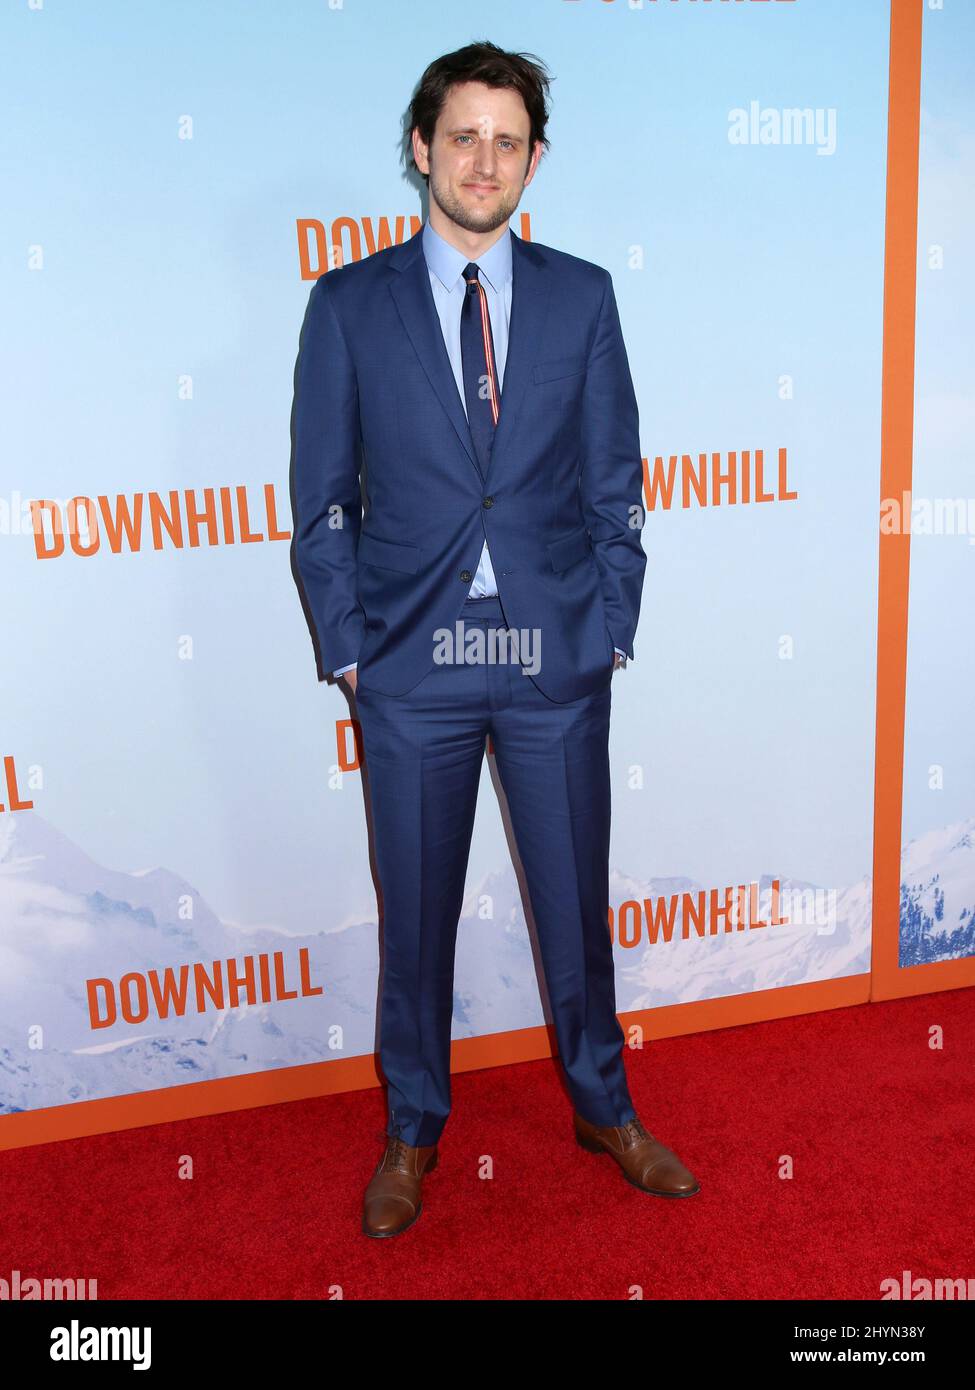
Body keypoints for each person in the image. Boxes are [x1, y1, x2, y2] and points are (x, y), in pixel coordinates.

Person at [291, 40, 699, 1238]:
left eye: (507, 141)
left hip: (551, 658)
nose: (483, 160)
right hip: (410, 666)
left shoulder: (582, 296)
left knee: (576, 902)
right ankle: (412, 1131)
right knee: (413, 915)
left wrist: (608, 625)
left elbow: (616, 481)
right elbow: (321, 500)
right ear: (421, 150)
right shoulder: (348, 304)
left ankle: (604, 1105)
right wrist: (356, 650)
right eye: (462, 136)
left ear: (534, 161)